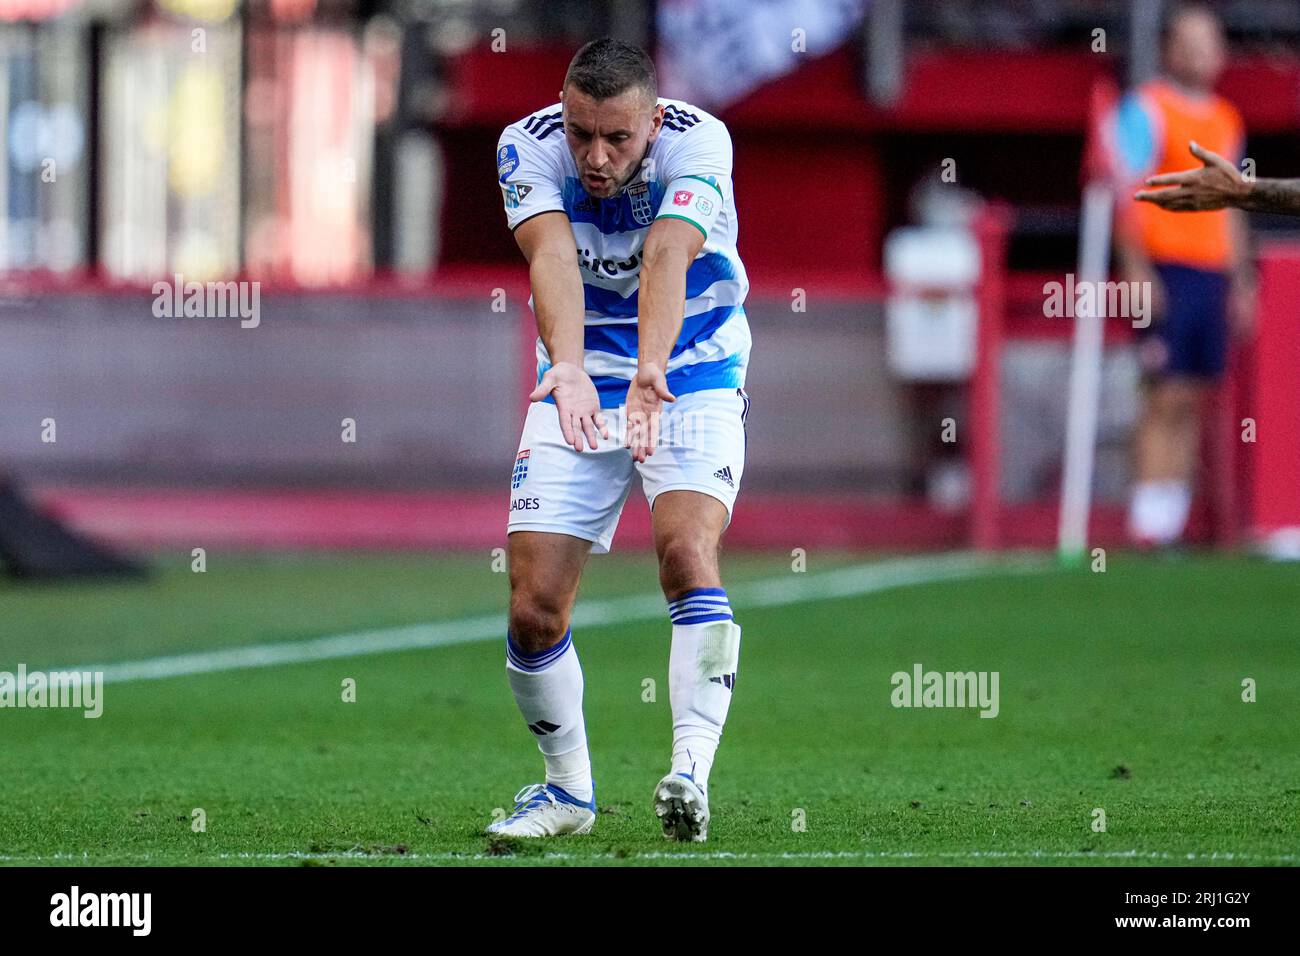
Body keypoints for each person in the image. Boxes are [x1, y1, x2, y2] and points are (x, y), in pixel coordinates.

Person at [487, 38, 751, 842]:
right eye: (580, 133)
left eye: (617, 138)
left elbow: (671, 249)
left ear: (654, 121)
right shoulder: (524, 145)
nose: (594, 157)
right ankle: (567, 793)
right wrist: (568, 367)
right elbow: (552, 253)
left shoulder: (700, 139)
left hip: (690, 368)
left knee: (685, 555)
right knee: (534, 606)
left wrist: (651, 369)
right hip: (580, 377)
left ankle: (689, 773)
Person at [1108, 4, 1253, 549]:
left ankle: (1171, 515)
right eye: (1188, 43)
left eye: (1209, 43)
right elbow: (1124, 192)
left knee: (1194, 393)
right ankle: (1145, 517)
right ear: (1169, 50)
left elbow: (1235, 205)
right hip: (1163, 266)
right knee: (1161, 393)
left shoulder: (1226, 120)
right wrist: (1137, 269)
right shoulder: (1145, 109)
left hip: (1209, 271)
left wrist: (1240, 279)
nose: (1200, 54)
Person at [1135, 140, 1300, 216]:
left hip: (1212, 256)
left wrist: (1241, 191)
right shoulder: (1148, 105)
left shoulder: (1226, 116)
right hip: (1159, 249)